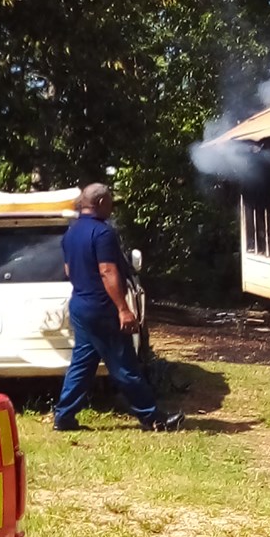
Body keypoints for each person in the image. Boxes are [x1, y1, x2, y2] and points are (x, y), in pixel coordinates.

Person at [52, 184, 180, 433]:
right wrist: (122, 308)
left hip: (80, 303)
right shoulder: (103, 233)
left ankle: (64, 417)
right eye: (110, 201)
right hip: (101, 307)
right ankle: (152, 418)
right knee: (124, 364)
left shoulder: (71, 232)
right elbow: (107, 271)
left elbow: (69, 270)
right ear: (100, 202)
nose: (111, 206)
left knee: (82, 362)